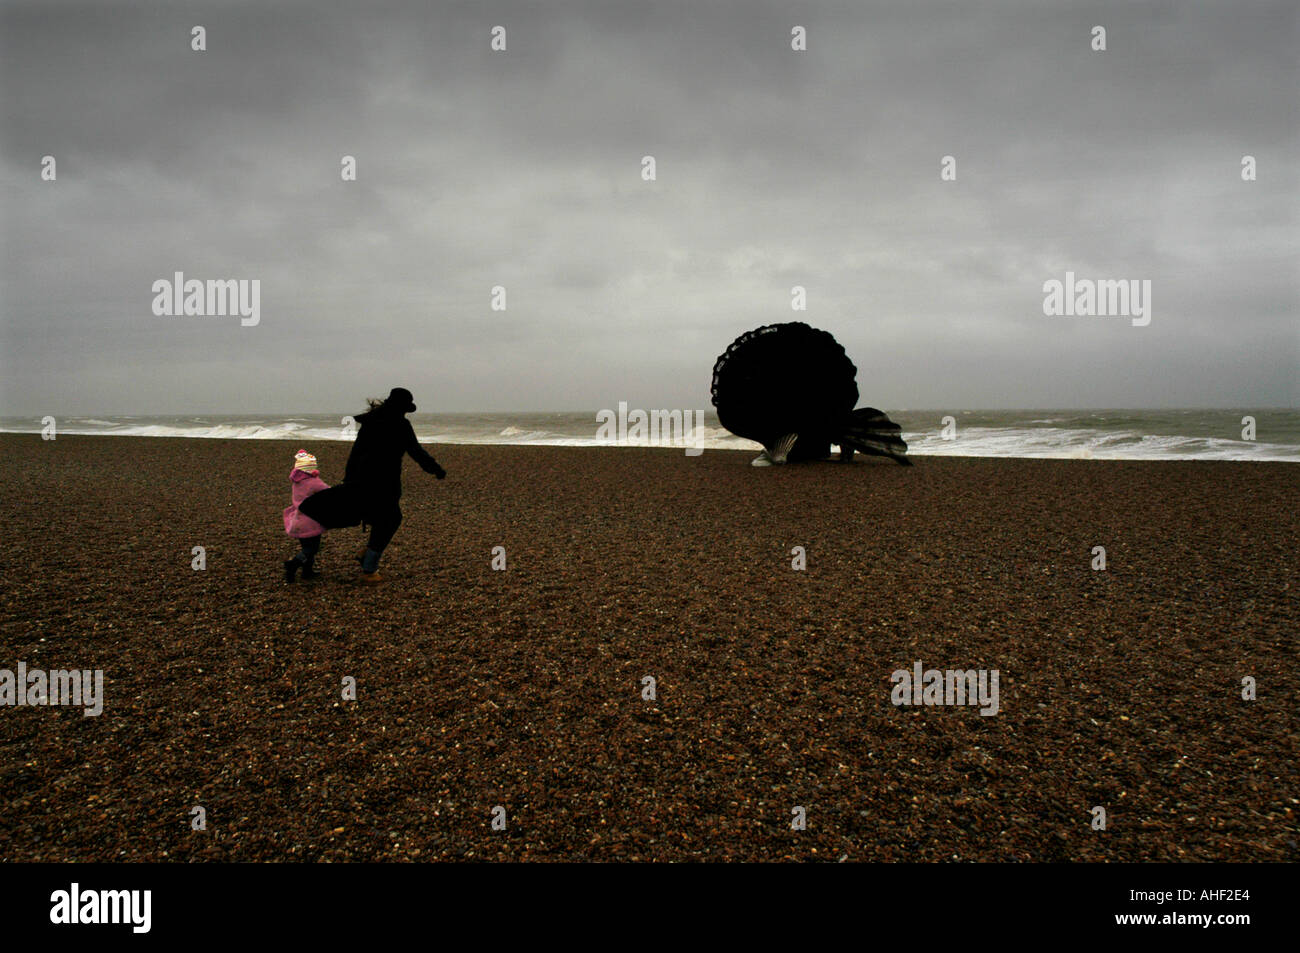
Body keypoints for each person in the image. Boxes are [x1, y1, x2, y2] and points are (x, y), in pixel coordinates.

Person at [297, 387, 445, 584]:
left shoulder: (371, 422)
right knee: (391, 519)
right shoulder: (401, 425)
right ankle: (369, 568)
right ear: (402, 408)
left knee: (375, 517)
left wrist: (348, 478)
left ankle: (360, 555)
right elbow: (416, 452)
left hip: (361, 479)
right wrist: (435, 469)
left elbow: (356, 452)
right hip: (385, 482)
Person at [282, 450, 329, 583]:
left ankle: (307, 571)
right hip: (310, 521)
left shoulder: (297, 482)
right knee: (312, 548)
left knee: (307, 547)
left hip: (298, 520)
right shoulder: (314, 482)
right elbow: (328, 491)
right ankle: (293, 565)